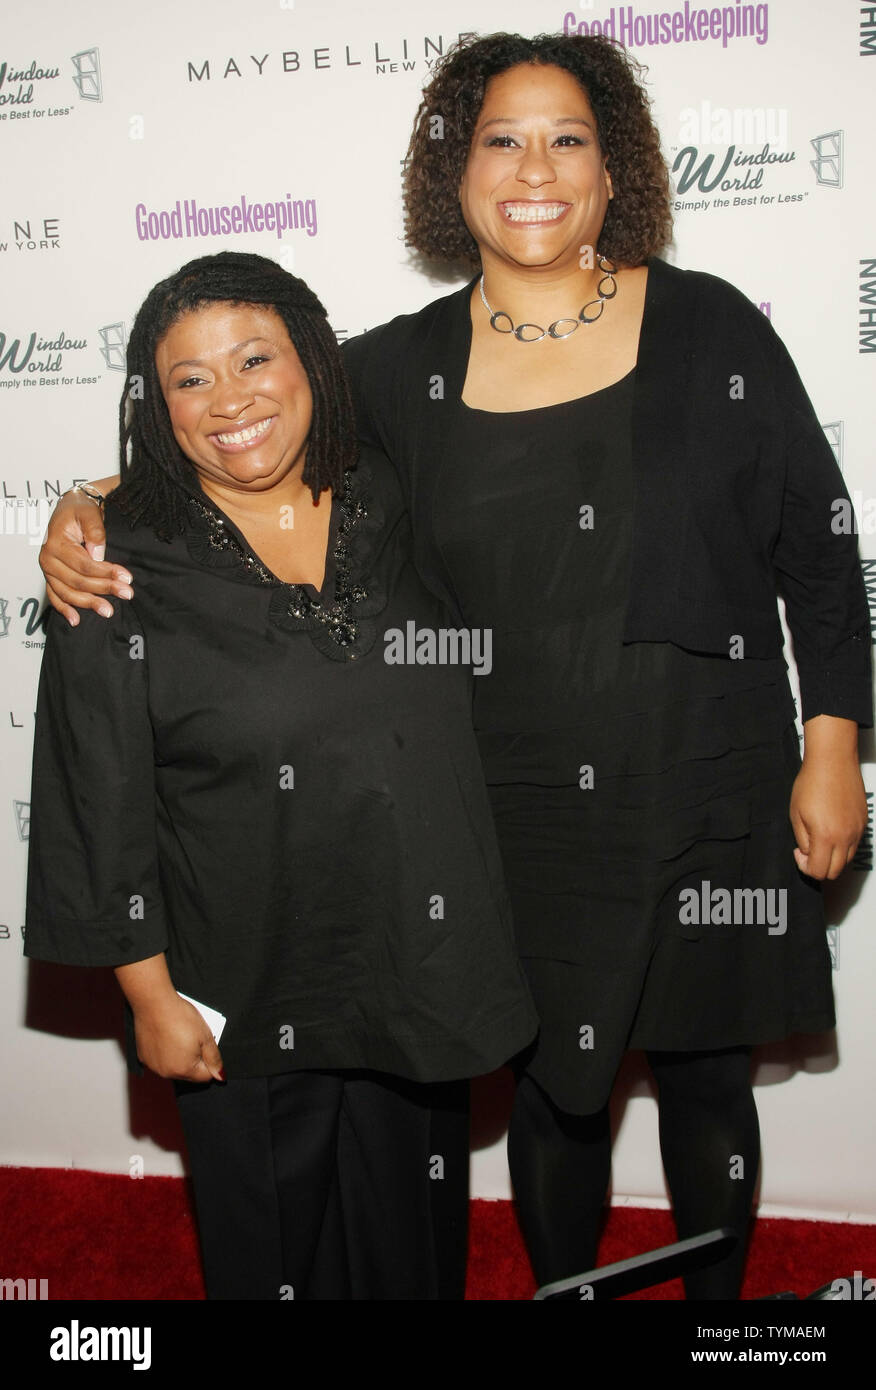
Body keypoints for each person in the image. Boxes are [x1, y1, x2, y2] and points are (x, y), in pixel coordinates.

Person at [38, 34, 871, 1300]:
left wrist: (834, 748)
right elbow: (236, 425)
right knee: (556, 1097)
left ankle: (720, 1324)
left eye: (568, 139)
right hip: (508, 811)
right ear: (459, 170)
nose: (534, 168)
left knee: (708, 1083)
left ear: (613, 171)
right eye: (501, 139)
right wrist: (85, 501)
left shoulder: (712, 329)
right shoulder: (395, 366)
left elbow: (820, 550)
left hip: (709, 787)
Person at [25, 250, 538, 1302]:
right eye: (190, 379)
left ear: (313, 358)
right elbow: (97, 797)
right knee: (271, 1261)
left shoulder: (396, 492)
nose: (230, 400)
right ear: (155, 405)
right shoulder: (115, 564)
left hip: (412, 956)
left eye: (255, 358)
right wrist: (148, 997)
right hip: (239, 983)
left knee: (415, 1251)